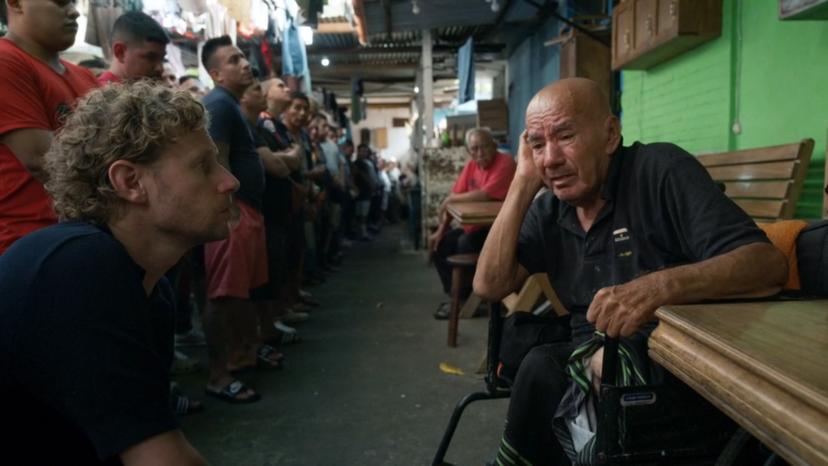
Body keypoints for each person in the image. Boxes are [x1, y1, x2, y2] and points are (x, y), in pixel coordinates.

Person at [473, 78, 788, 466]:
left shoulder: (660, 171)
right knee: (537, 358)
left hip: (674, 363)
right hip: (592, 358)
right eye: (537, 144)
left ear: (609, 134)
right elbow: (489, 285)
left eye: (565, 136)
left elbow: (766, 264)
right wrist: (522, 183)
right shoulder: (550, 208)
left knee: (548, 369)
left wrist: (658, 287)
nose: (550, 158)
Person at [0, 82, 222, 465]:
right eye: (204, 166)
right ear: (131, 182)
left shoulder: (152, 290)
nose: (229, 181)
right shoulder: (80, 265)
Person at [200, 35, 274, 403]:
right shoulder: (218, 104)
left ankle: (241, 355)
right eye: (233, 60)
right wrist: (227, 212)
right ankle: (218, 374)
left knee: (239, 293)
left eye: (243, 57)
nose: (245, 63)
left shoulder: (230, 105)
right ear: (215, 74)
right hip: (234, 213)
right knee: (222, 296)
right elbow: (217, 162)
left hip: (246, 210)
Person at [0, 0, 99, 254]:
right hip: (30, 244)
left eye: (74, 2)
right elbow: (43, 159)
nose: (74, 11)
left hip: (85, 235)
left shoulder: (84, 76)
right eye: (60, 2)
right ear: (15, 3)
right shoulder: (6, 61)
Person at [429, 128, 516, 319]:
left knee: (464, 244)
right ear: (469, 152)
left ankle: (472, 299)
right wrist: (440, 231)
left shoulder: (505, 163)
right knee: (440, 245)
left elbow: (484, 195)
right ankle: (459, 298)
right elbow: (454, 200)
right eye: (474, 149)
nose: (479, 153)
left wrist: (450, 200)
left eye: (483, 147)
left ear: (494, 146)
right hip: (474, 227)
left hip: (498, 230)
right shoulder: (471, 166)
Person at [97, 11, 169, 84]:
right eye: (151, 58)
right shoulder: (102, 93)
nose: (160, 68)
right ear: (120, 52)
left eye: (162, 59)